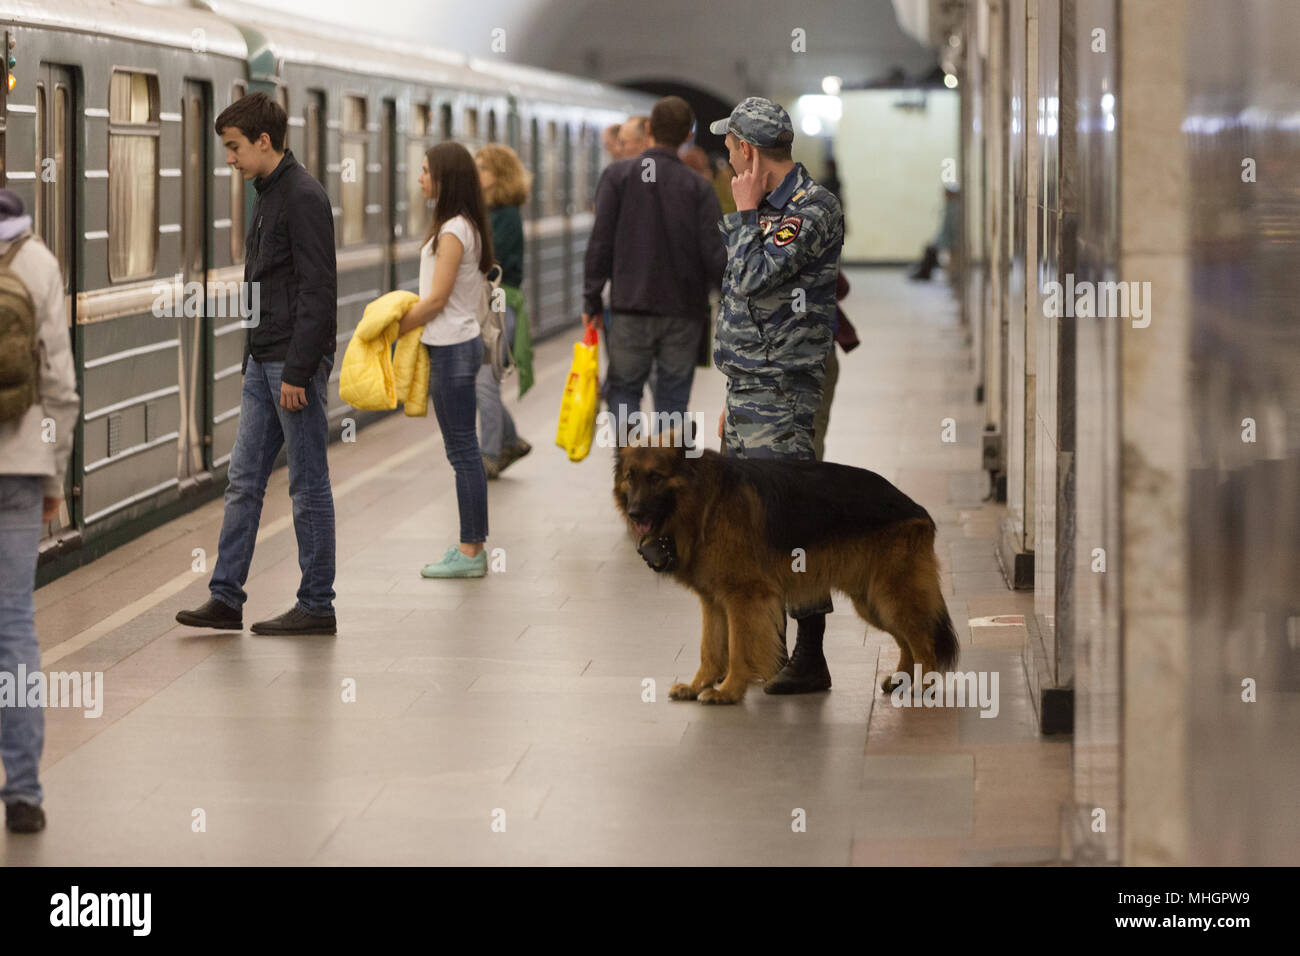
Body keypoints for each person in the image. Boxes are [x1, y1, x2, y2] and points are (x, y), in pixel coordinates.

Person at [177, 92, 338, 636]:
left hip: (290, 366)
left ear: (263, 142)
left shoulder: (302, 197)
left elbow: (319, 291)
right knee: (243, 480)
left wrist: (297, 370)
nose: (230, 159)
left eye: (234, 147)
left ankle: (317, 603)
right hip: (262, 360)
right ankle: (226, 596)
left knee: (307, 483)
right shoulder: (267, 194)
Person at [710, 96, 844, 694]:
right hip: (751, 390)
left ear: (747, 149)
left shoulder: (808, 210)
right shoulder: (766, 208)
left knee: (791, 524)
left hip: (784, 392)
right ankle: (766, 651)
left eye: (730, 147)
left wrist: (741, 216)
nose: (726, 158)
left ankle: (810, 658)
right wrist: (734, 391)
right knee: (752, 526)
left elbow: (753, 277)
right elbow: (745, 306)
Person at [0, 190, 79, 834]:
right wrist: (53, 473)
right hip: (21, 468)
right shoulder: (40, 264)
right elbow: (60, 388)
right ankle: (23, 792)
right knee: (14, 628)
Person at [582, 96, 726, 444]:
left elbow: (600, 243)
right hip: (684, 313)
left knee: (624, 391)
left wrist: (591, 300)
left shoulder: (617, 176)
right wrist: (725, 301)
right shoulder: (699, 188)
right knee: (673, 399)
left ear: (648, 129)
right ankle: (665, 480)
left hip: (630, 309)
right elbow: (714, 255)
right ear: (688, 133)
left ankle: (632, 473)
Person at [397, 142, 495, 578]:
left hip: (453, 347)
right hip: (456, 345)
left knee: (462, 452)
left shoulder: (454, 230)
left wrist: (391, 329)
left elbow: (436, 300)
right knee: (463, 450)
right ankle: (470, 547)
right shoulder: (462, 225)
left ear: (443, 178)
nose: (419, 179)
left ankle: (471, 551)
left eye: (424, 171)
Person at [474, 144, 532, 479]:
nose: (477, 174)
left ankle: (489, 454)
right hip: (492, 304)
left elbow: (491, 261)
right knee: (483, 380)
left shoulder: (505, 214)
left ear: (499, 175)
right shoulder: (489, 211)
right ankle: (510, 440)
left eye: (483, 168)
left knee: (485, 379)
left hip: (500, 305)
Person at [909, 184, 960, 280]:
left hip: (951, 240)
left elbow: (950, 230)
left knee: (930, 249)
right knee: (930, 248)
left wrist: (939, 241)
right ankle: (923, 272)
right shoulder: (951, 206)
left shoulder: (954, 208)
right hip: (949, 239)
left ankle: (924, 273)